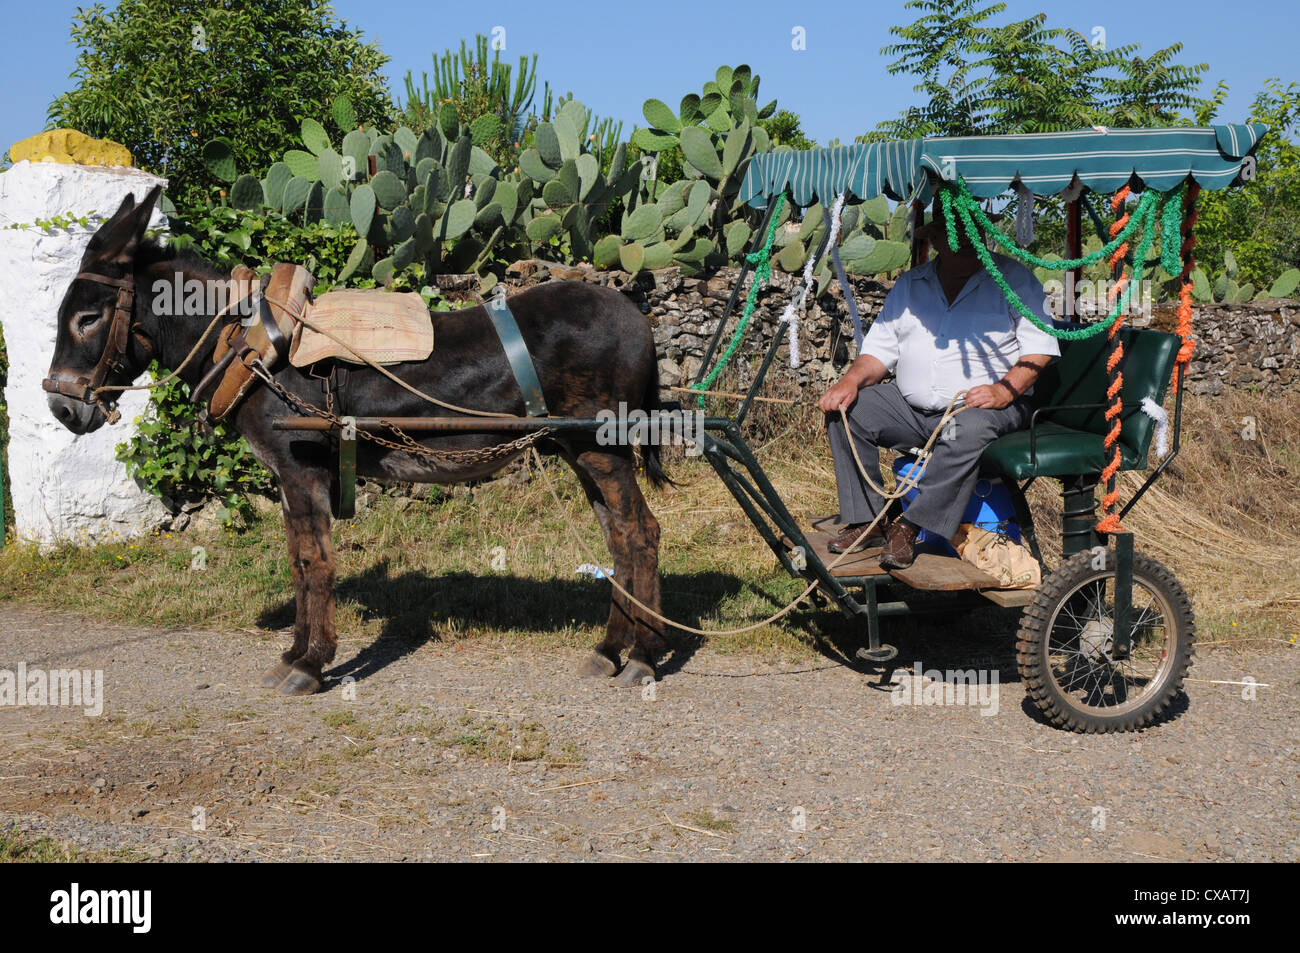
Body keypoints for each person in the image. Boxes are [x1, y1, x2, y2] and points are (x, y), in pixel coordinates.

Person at [819, 195, 1059, 569]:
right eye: (953, 231)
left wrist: (1001, 390)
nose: (963, 239)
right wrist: (850, 381)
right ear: (936, 239)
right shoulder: (912, 284)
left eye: (971, 231)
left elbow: (1040, 351)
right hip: (913, 407)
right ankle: (868, 521)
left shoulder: (1015, 280)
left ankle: (911, 526)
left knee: (962, 430)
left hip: (992, 407)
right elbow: (878, 353)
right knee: (848, 411)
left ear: (983, 234)